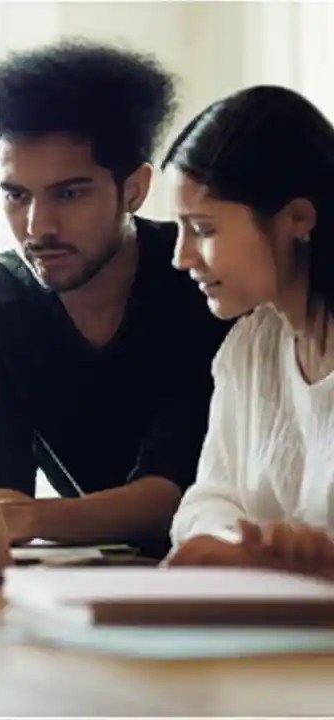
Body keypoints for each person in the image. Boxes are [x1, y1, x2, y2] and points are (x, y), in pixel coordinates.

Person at [0, 41, 231, 552]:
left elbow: (172, 493)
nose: (37, 227)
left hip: (199, 571)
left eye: (69, 194)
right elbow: (1, 490)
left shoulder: (197, 281)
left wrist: (29, 519)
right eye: (16, 195)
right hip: (84, 578)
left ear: (134, 190)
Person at [161, 86, 334, 580]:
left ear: (298, 219)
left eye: (204, 229)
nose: (181, 257)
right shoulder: (249, 347)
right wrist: (239, 544)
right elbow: (206, 501)